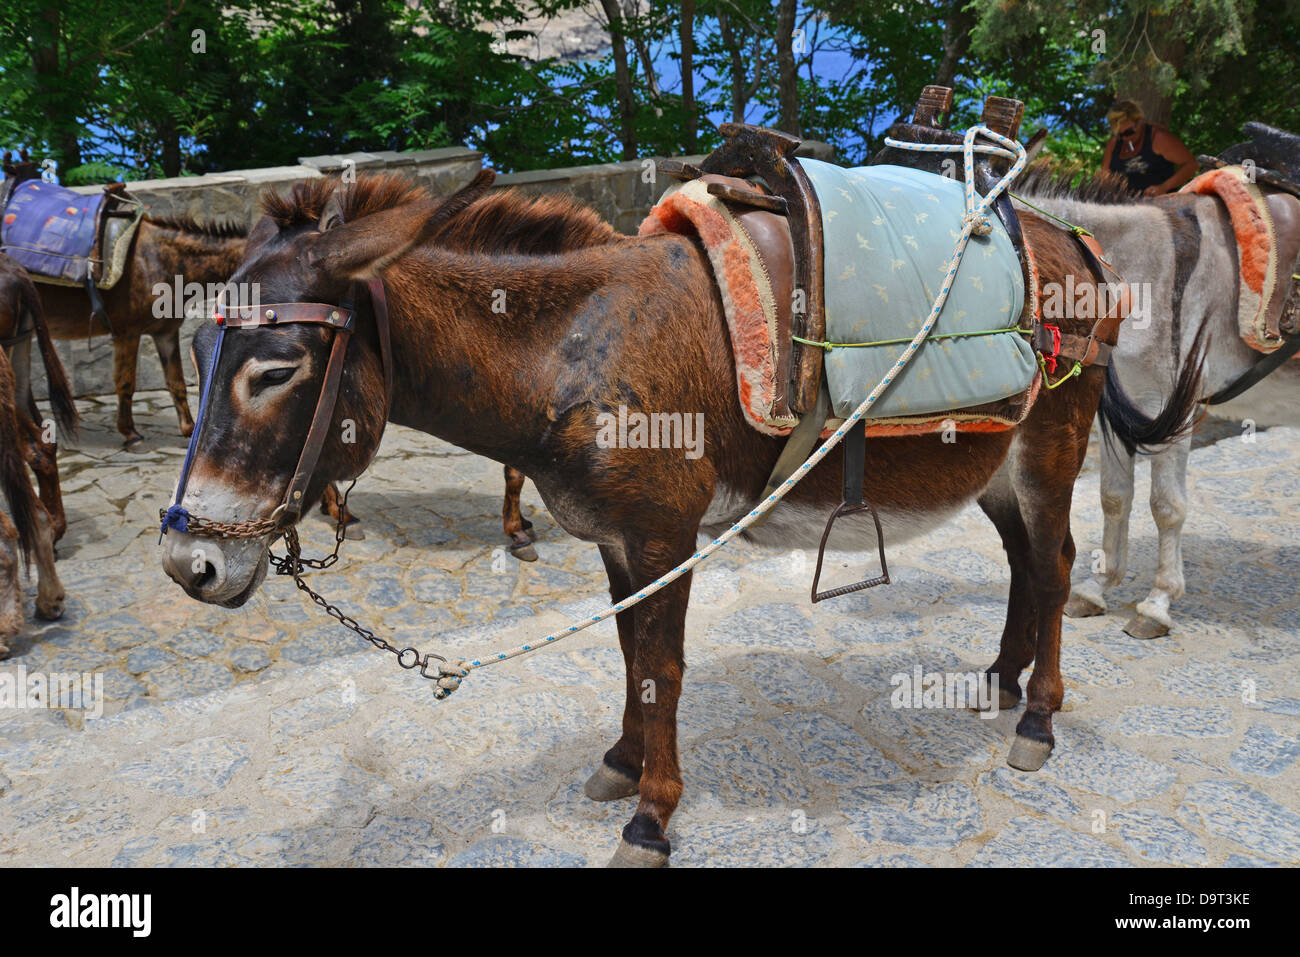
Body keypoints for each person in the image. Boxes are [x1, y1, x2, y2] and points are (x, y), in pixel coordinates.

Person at [1100, 100, 1198, 196]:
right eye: (1120, 135)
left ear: (1140, 121)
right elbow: (1104, 178)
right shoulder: (1113, 143)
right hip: (1125, 206)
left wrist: (1164, 187)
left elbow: (1191, 165)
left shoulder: (1158, 138)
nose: (1125, 138)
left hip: (1160, 205)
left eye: (1128, 132)